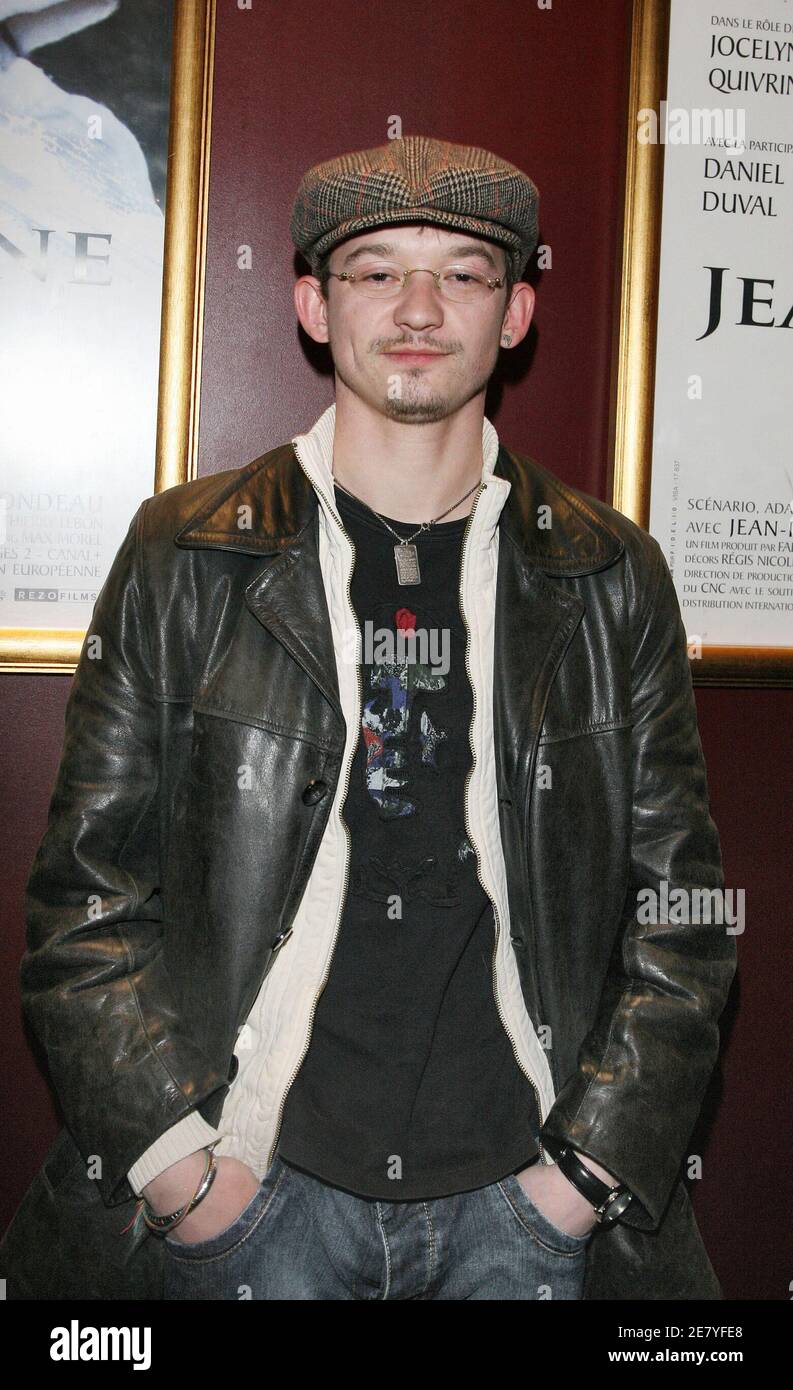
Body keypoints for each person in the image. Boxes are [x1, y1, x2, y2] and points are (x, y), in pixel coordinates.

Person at [1, 135, 736, 1301]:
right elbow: (82, 895)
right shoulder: (185, 553)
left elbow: (684, 910)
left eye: (462, 271)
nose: (418, 305)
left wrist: (583, 1173)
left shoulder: (609, 574)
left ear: (515, 314)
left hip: (530, 1212)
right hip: (251, 1197)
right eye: (376, 269)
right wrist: (181, 1170)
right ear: (312, 303)